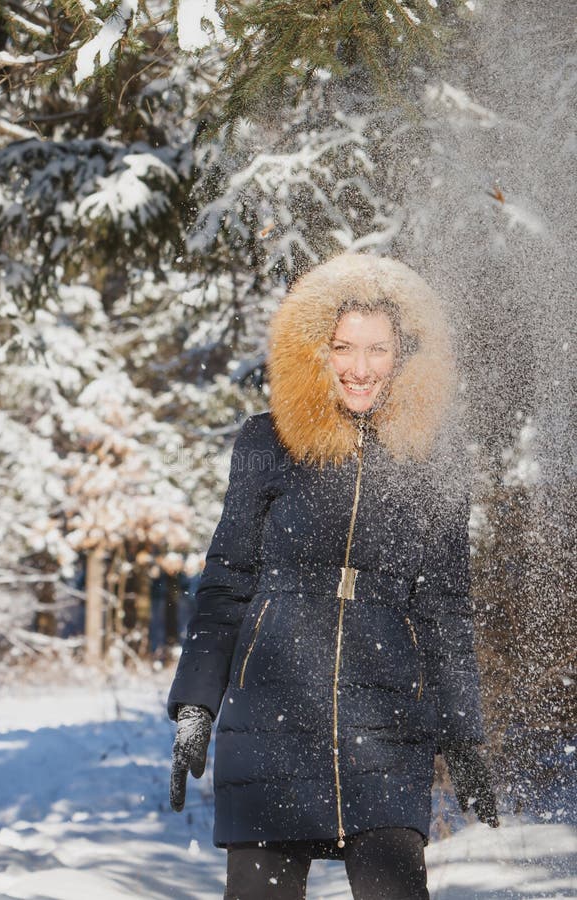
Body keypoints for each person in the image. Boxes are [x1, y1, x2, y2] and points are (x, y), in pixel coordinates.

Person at [167, 253, 498, 900]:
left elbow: (445, 609)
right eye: (343, 347)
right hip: (270, 719)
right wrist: (194, 705)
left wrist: (463, 734)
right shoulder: (267, 443)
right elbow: (227, 580)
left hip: (387, 727)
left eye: (379, 349)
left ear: (406, 354)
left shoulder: (435, 463)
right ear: (314, 351)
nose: (360, 367)